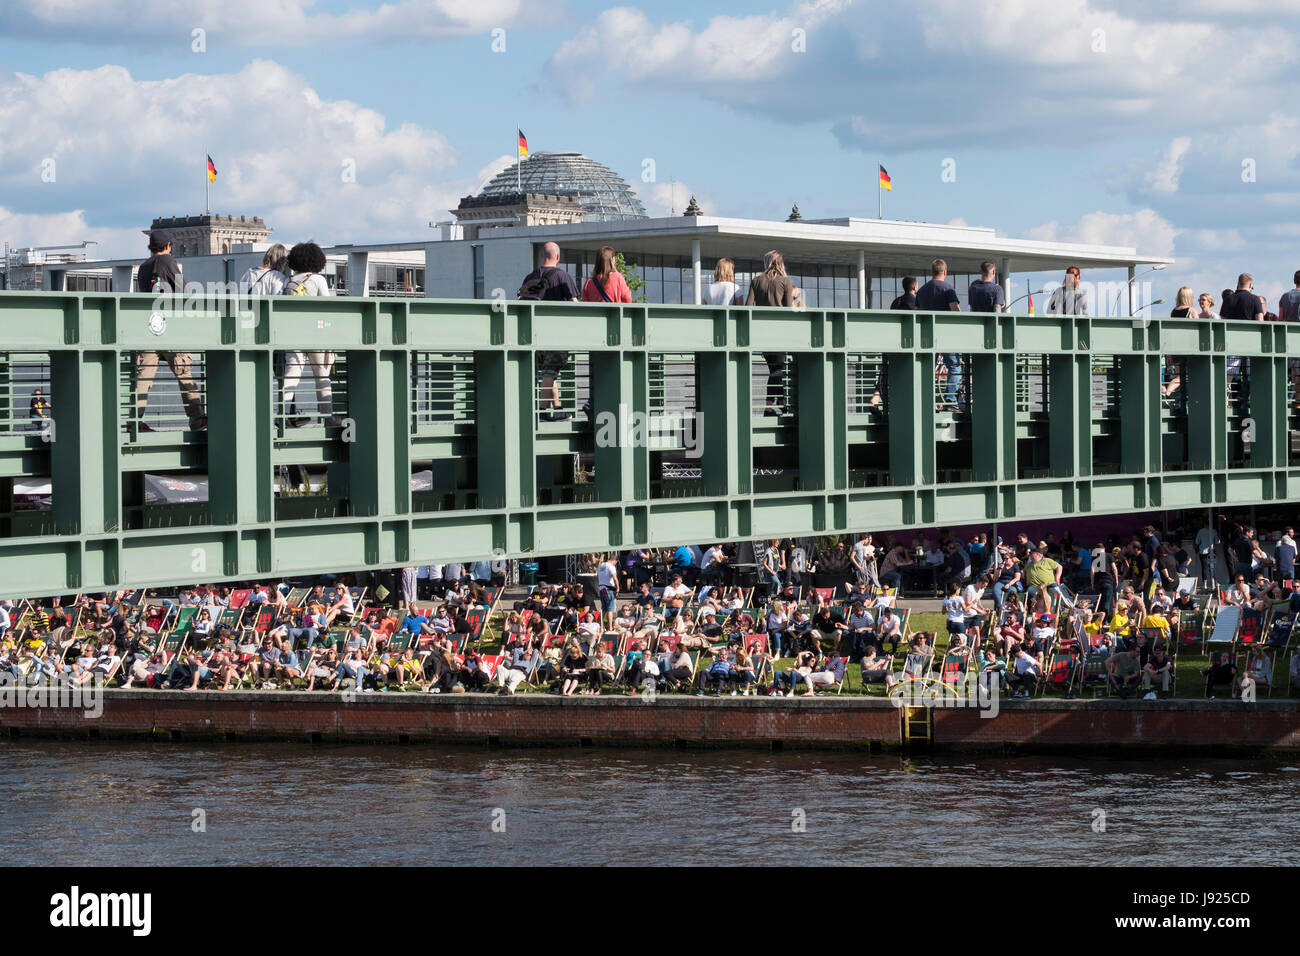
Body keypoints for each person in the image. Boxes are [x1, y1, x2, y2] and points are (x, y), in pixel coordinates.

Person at [134, 229, 205, 432]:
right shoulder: (168, 262)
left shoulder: (144, 266)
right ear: (167, 246)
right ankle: (196, 418)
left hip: (148, 328)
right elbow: (183, 292)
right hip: (170, 327)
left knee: (144, 377)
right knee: (183, 372)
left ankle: (135, 421)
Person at [518, 241, 580, 421]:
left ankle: (558, 408)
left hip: (533, 334)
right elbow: (575, 305)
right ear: (557, 257)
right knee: (550, 372)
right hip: (556, 334)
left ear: (542, 256)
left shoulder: (530, 277)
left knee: (549, 372)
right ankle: (542, 412)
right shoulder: (562, 276)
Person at [279, 241, 339, 427]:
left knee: (291, 375)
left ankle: (280, 415)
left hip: (293, 335)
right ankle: (327, 417)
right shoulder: (317, 280)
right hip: (317, 334)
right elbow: (327, 308)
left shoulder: (289, 281)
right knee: (322, 376)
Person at [746, 250, 797, 414]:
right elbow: (789, 309)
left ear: (766, 262)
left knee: (774, 369)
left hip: (761, 333)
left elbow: (747, 307)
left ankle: (781, 403)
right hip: (780, 332)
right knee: (778, 370)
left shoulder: (756, 281)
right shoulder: (785, 282)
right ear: (780, 263)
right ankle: (769, 406)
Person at [916, 259, 963, 409]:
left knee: (928, 367)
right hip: (947, 334)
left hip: (926, 335)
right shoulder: (947, 288)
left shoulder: (922, 290)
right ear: (945, 272)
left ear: (932, 271)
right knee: (954, 366)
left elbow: (916, 312)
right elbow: (955, 309)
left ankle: (927, 400)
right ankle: (950, 400)